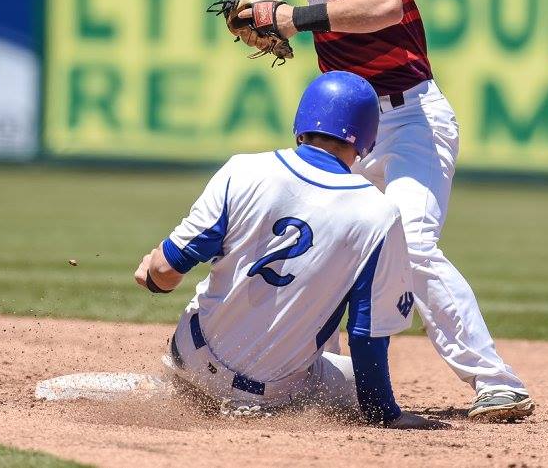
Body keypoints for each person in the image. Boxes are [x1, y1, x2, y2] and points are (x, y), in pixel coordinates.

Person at [222, 0, 534, 421]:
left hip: (412, 120)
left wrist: (294, 17)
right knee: (327, 248)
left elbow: (381, 5)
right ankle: (309, 381)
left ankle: (498, 383)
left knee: (411, 243)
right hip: (356, 131)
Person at [134, 71, 446, 429]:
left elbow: (163, 272)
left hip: (189, 358)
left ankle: (186, 386)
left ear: (301, 122)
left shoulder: (243, 170)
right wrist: (384, 414)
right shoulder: (378, 213)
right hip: (267, 395)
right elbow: (366, 334)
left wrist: (153, 273)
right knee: (329, 313)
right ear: (367, 139)